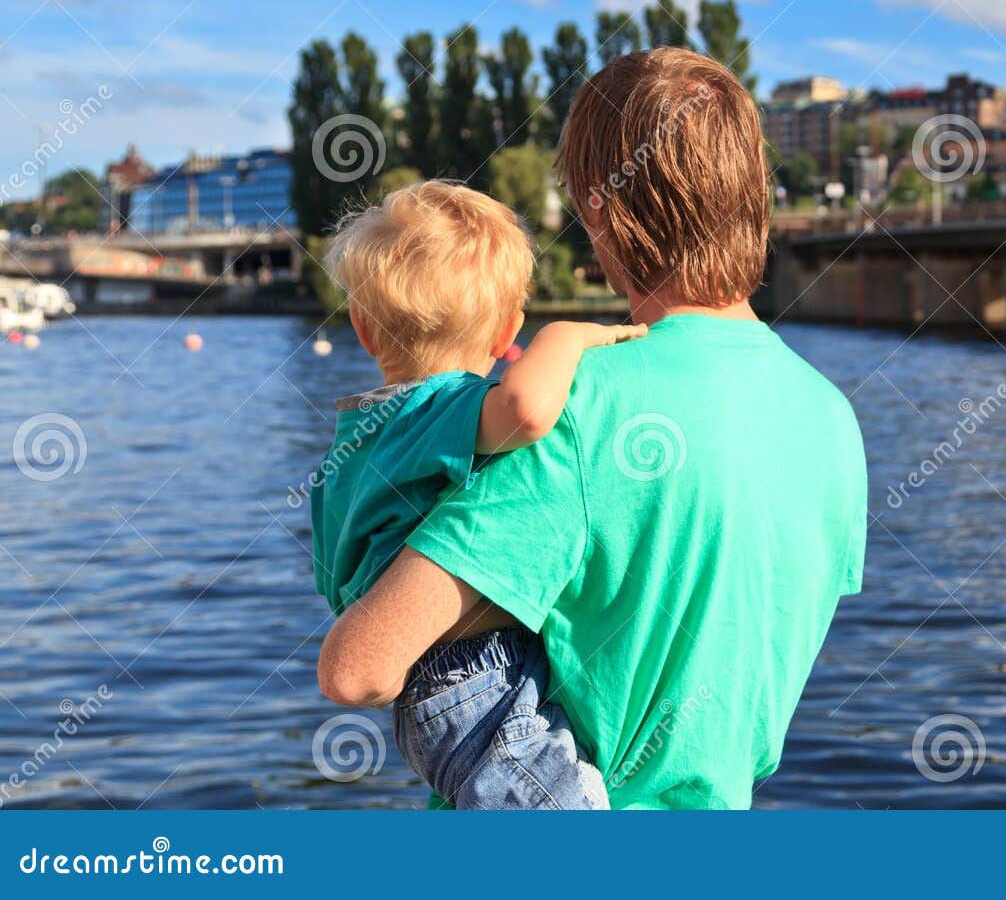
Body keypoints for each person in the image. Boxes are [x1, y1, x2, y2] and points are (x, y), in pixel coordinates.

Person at [318, 48, 868, 808]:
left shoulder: (579, 404)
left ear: (604, 211)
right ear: (752, 195)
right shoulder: (833, 422)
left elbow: (360, 665)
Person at [311, 179, 644, 809]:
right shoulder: (439, 410)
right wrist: (564, 337)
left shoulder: (355, 440)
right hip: (474, 681)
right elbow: (526, 408)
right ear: (507, 333)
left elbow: (339, 580)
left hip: (430, 693)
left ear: (360, 327)